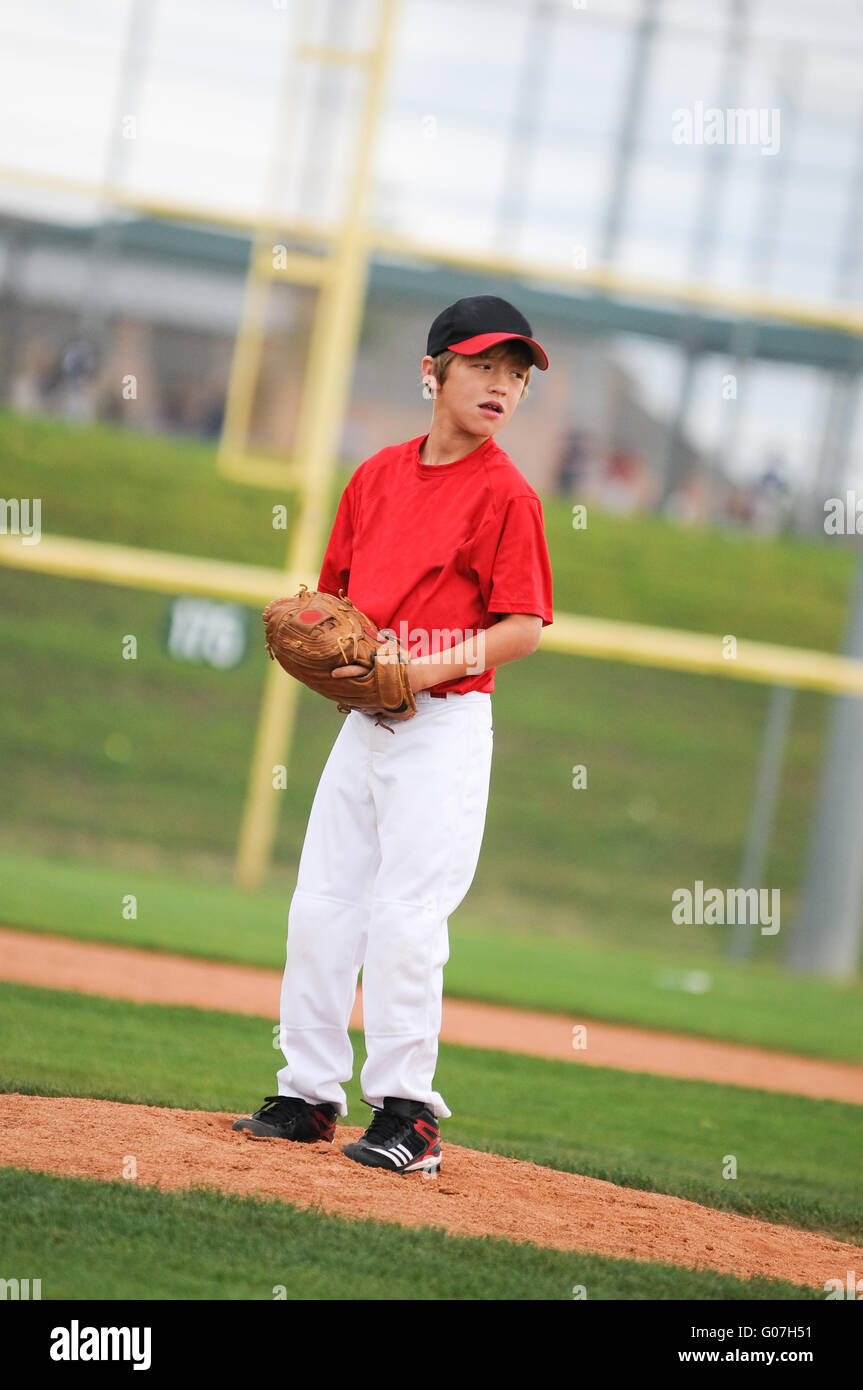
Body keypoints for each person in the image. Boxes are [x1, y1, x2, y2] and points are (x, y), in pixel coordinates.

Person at [233, 295, 554, 1174]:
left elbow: (522, 625)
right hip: (365, 724)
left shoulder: (505, 496)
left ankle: (410, 1116)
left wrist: (417, 667)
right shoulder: (375, 476)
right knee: (323, 905)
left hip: (442, 727)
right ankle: (305, 1095)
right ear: (432, 371)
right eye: (484, 365)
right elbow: (333, 606)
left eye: (516, 375)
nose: (501, 386)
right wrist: (336, 659)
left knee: (406, 917)